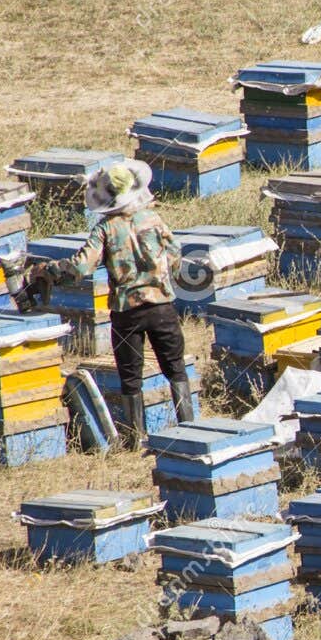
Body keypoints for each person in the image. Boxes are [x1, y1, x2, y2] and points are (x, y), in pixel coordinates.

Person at [28, 160, 195, 442]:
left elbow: (80, 268)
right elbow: (177, 260)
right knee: (176, 370)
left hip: (126, 312)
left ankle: (137, 439)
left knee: (131, 378)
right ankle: (191, 431)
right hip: (161, 307)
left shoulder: (105, 229)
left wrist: (50, 271)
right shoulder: (154, 220)